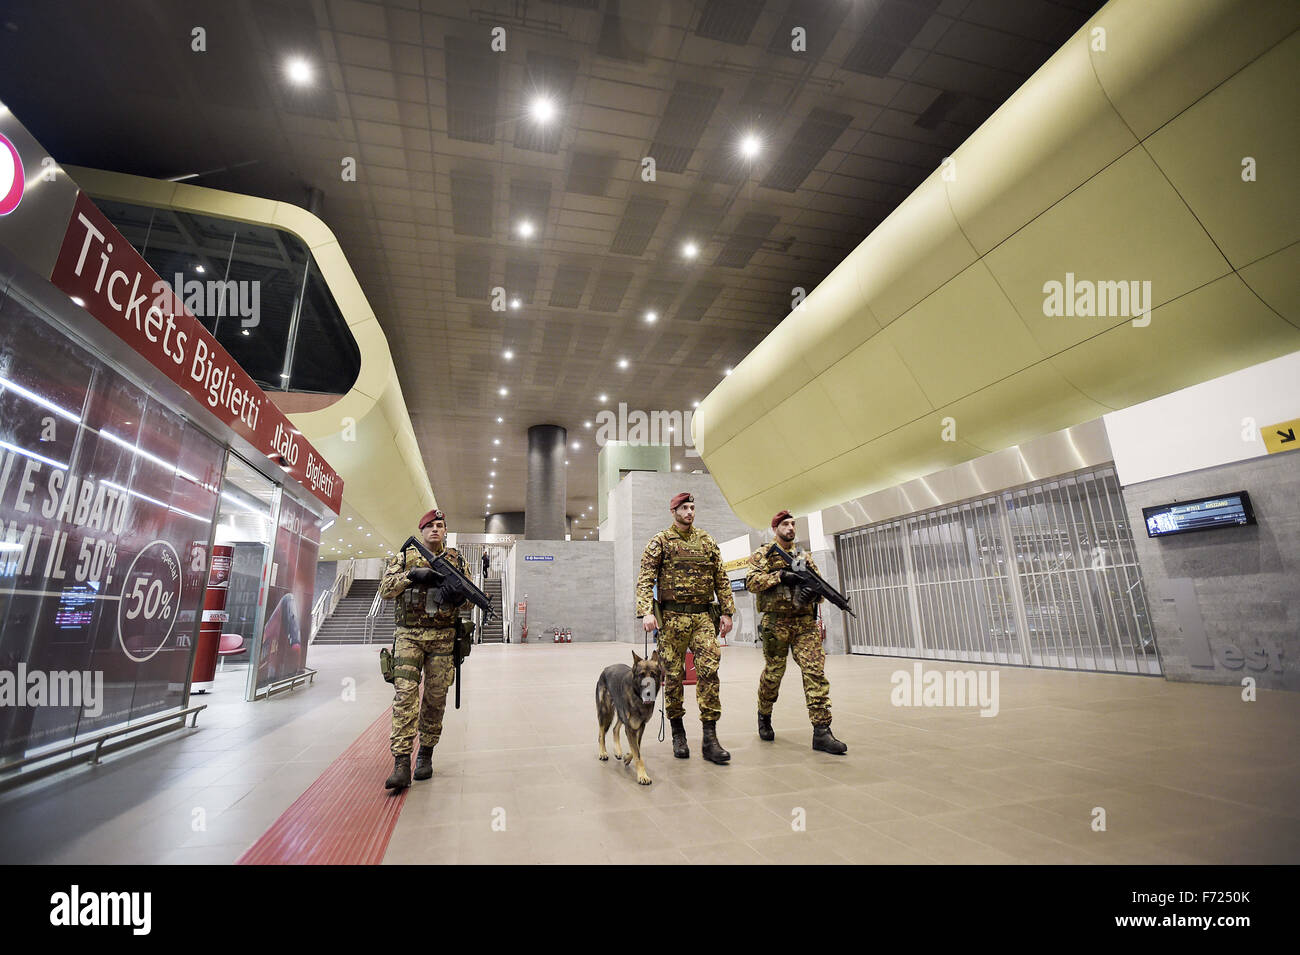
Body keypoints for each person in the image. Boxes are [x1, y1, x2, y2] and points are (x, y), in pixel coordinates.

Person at [635, 492, 735, 764]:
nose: (690, 512)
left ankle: (710, 738)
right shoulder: (660, 542)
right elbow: (645, 578)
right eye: (684, 508)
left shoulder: (707, 541)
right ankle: (678, 732)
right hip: (672, 619)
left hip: (703, 617)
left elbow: (721, 577)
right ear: (674, 511)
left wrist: (726, 611)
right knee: (673, 676)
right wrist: (646, 611)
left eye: (692, 507)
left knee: (709, 671)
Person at [378, 508, 471, 789]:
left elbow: (469, 600)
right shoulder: (405, 557)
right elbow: (385, 589)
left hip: (443, 637)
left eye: (440, 525)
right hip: (409, 636)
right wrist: (412, 576)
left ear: (445, 530)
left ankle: (425, 757)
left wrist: (458, 598)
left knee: (434, 698)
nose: (435, 530)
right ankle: (402, 763)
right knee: (405, 696)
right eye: (430, 525)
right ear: (421, 531)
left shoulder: (456, 560)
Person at [746, 510, 847, 755]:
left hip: (805, 625)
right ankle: (764, 715)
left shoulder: (805, 556)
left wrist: (813, 592)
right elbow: (751, 582)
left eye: (793, 524)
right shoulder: (763, 554)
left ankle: (822, 731)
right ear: (775, 528)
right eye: (785, 524)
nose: (791, 527)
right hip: (776, 624)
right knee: (773, 674)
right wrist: (780, 576)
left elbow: (820, 589)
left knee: (815, 672)